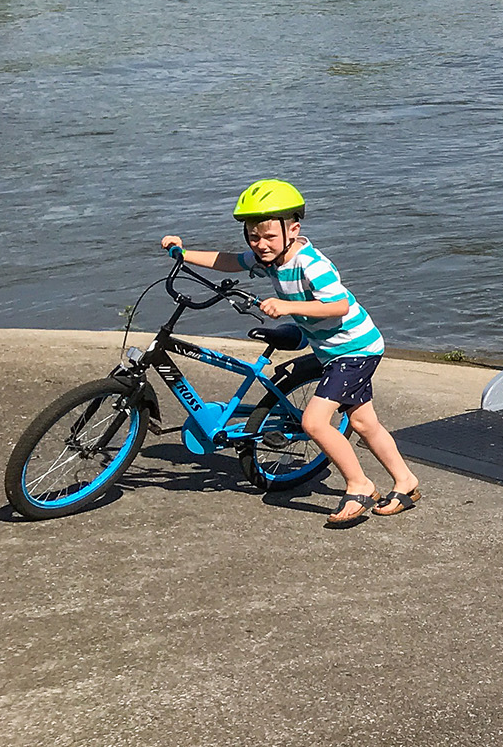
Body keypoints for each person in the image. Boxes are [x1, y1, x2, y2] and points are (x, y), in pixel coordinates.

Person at [160, 180, 418, 527]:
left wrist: (286, 304)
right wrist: (184, 252)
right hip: (333, 351)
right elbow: (229, 261)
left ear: (293, 229)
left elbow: (339, 305)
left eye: (268, 237)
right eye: (253, 236)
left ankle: (360, 485)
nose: (260, 245)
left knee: (314, 422)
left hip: (355, 349)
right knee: (362, 422)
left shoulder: (311, 264)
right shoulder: (271, 259)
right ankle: (406, 481)